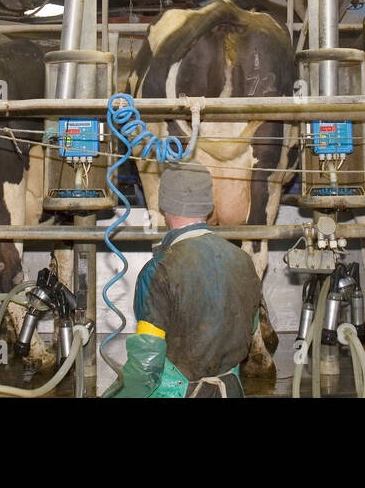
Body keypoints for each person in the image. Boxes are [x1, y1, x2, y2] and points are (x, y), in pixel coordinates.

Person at [108, 164, 261, 398]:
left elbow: (146, 365)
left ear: (165, 204)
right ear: (208, 206)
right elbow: (249, 329)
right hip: (229, 391)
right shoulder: (243, 261)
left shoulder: (159, 269)